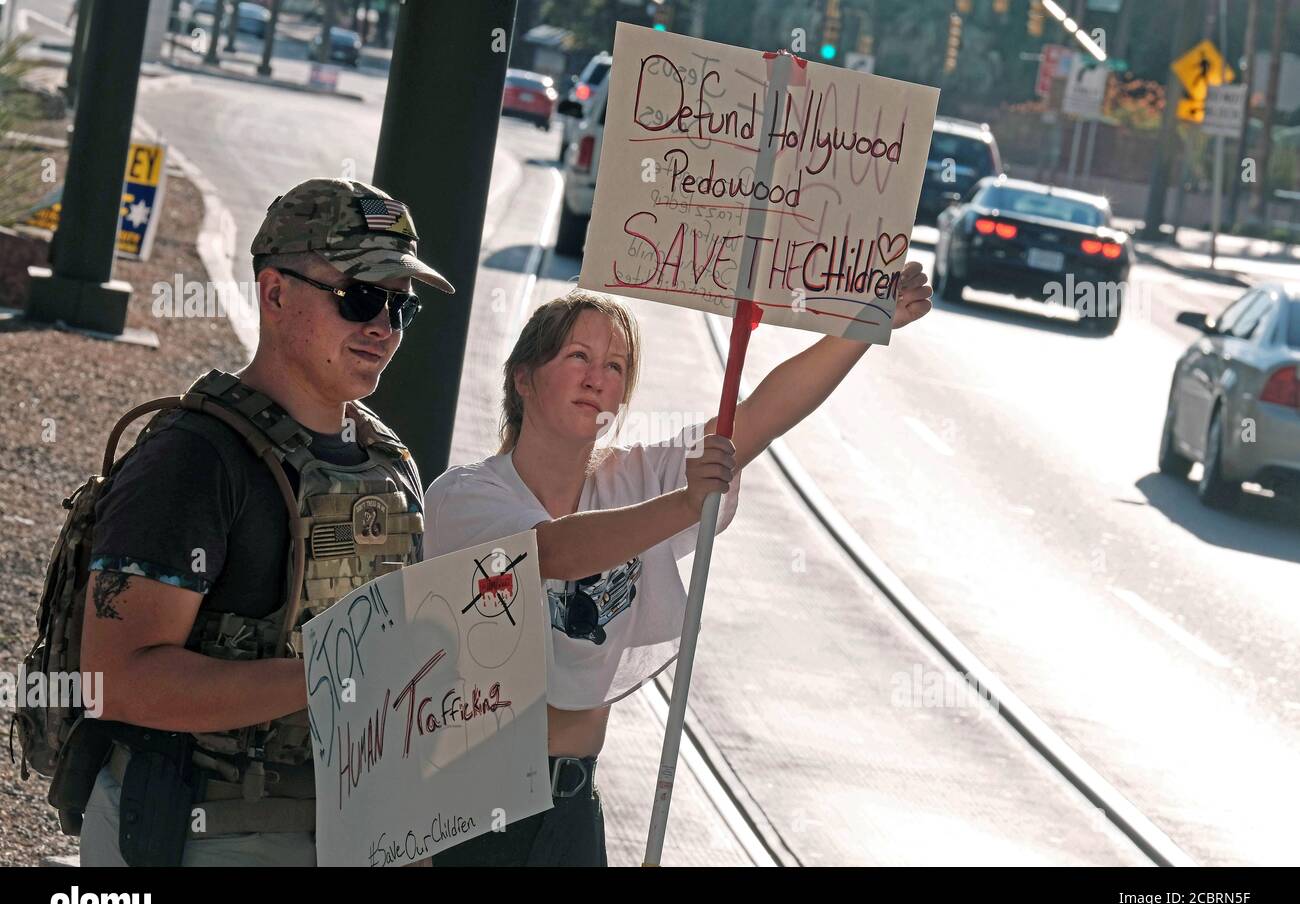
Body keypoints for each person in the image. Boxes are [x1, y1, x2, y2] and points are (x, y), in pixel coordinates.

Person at [423, 264, 932, 865]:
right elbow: (553, 551)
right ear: (524, 378)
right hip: (471, 804)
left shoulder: (631, 477)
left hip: (572, 802)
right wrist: (685, 502)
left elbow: (760, 416)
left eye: (615, 368)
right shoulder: (466, 496)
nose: (597, 379)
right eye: (578, 357)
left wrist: (867, 325)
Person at [76, 178, 453, 866]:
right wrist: (332, 680)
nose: (382, 327)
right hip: (207, 835)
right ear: (275, 294)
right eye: (361, 297)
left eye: (401, 307)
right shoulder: (193, 459)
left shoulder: (385, 461)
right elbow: (118, 680)